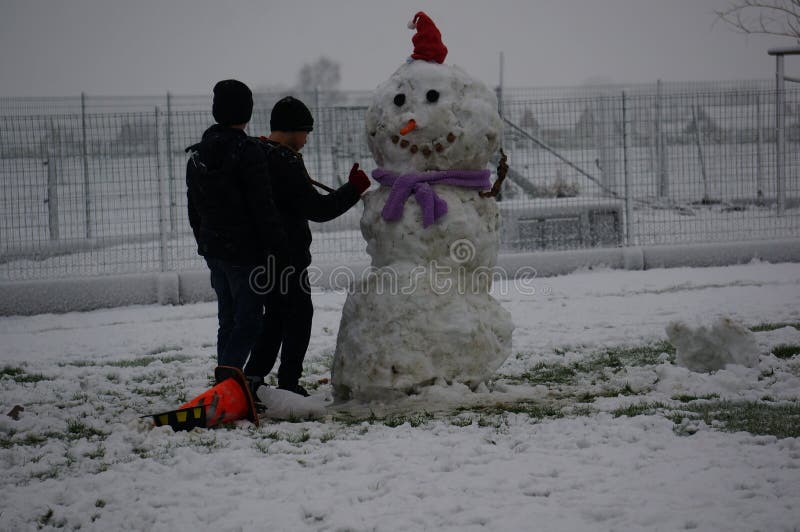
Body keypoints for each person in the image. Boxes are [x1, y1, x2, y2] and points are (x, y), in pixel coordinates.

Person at [247, 96, 370, 397]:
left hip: (262, 253)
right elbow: (318, 208)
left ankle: (254, 377)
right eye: (305, 132)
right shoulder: (284, 161)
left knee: (275, 316)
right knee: (298, 317)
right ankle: (286, 381)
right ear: (291, 129)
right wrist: (353, 189)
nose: (306, 140)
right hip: (286, 255)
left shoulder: (260, 154)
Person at [185, 80, 288, 383]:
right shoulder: (248, 152)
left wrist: (205, 242)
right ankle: (229, 382)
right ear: (247, 111)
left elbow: (195, 210)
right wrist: (279, 248)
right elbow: (263, 207)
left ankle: (226, 377)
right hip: (245, 253)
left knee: (228, 319)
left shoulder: (198, 155)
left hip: (214, 251)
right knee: (250, 320)